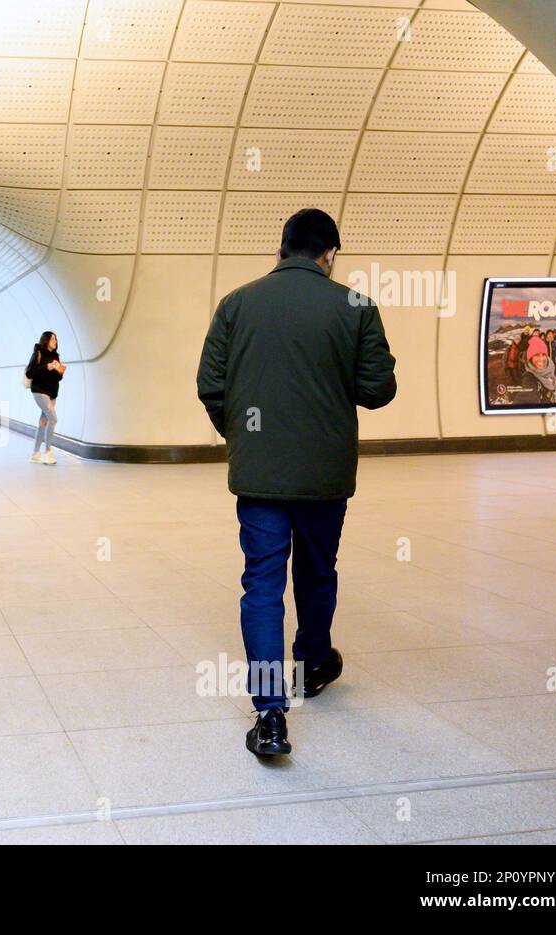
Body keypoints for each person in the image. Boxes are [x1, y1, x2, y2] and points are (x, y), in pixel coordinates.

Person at [196, 208, 396, 757]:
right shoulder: (356, 305)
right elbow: (378, 389)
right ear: (330, 254)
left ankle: (270, 714)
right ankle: (312, 665)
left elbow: (210, 385)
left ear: (280, 249)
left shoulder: (237, 303)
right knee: (316, 570)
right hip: (325, 474)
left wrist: (244, 436)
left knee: (261, 583)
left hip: (258, 474)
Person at [24, 331, 65, 464]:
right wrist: (46, 367)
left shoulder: (56, 356)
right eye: (53, 339)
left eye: (56, 339)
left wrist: (60, 371)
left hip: (52, 392)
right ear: (46, 340)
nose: (55, 342)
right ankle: (47, 452)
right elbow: (30, 373)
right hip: (39, 391)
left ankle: (35, 454)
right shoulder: (38, 353)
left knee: (43, 422)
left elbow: (58, 378)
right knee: (53, 419)